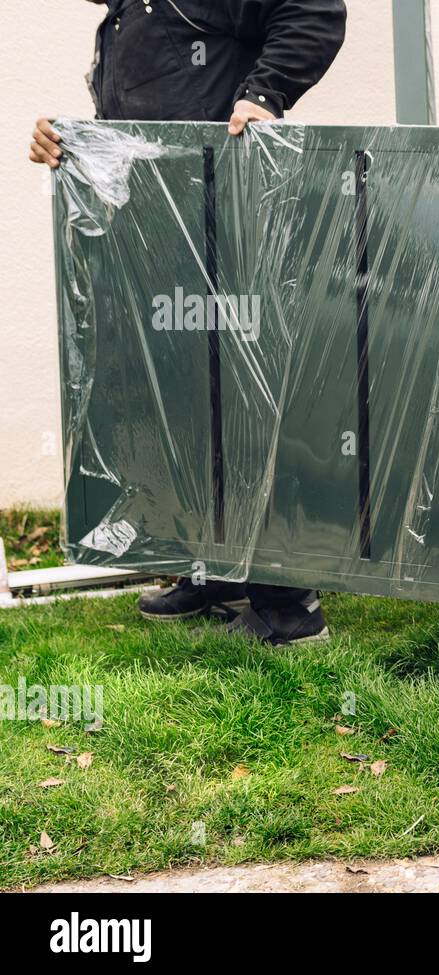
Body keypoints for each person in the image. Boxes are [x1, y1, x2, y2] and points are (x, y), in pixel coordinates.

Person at [29, 0, 347, 645]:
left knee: (242, 402)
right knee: (183, 404)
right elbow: (142, 124)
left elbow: (311, 8)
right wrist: (72, 141)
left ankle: (288, 605)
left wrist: (266, 95)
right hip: (163, 233)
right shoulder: (125, 17)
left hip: (224, 223)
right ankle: (212, 568)